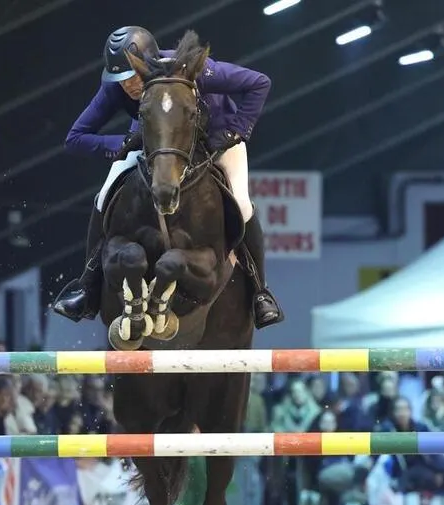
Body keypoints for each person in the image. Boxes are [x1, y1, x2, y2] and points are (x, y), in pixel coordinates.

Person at [52, 25, 283, 329]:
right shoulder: (114, 86)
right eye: (120, 80)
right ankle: (88, 285)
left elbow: (259, 83)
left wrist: (235, 130)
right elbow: (75, 137)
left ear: (148, 64)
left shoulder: (198, 71)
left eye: (133, 77)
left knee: (241, 203)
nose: (129, 87)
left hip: (216, 139)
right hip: (158, 147)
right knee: (104, 194)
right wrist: (121, 144)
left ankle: (259, 291)